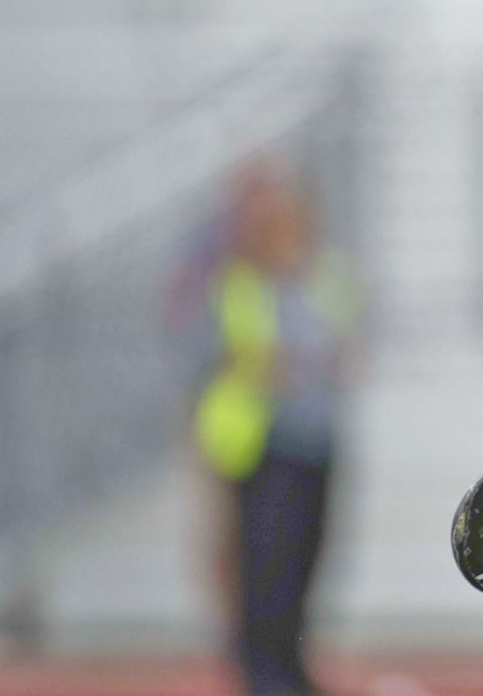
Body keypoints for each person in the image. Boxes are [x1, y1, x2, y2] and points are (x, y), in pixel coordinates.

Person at [184, 160, 362, 695]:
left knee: (307, 556)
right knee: (262, 563)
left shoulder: (326, 275)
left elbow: (343, 347)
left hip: (314, 439)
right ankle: (262, 671)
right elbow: (231, 356)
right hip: (256, 445)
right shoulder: (238, 282)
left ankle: (289, 662)